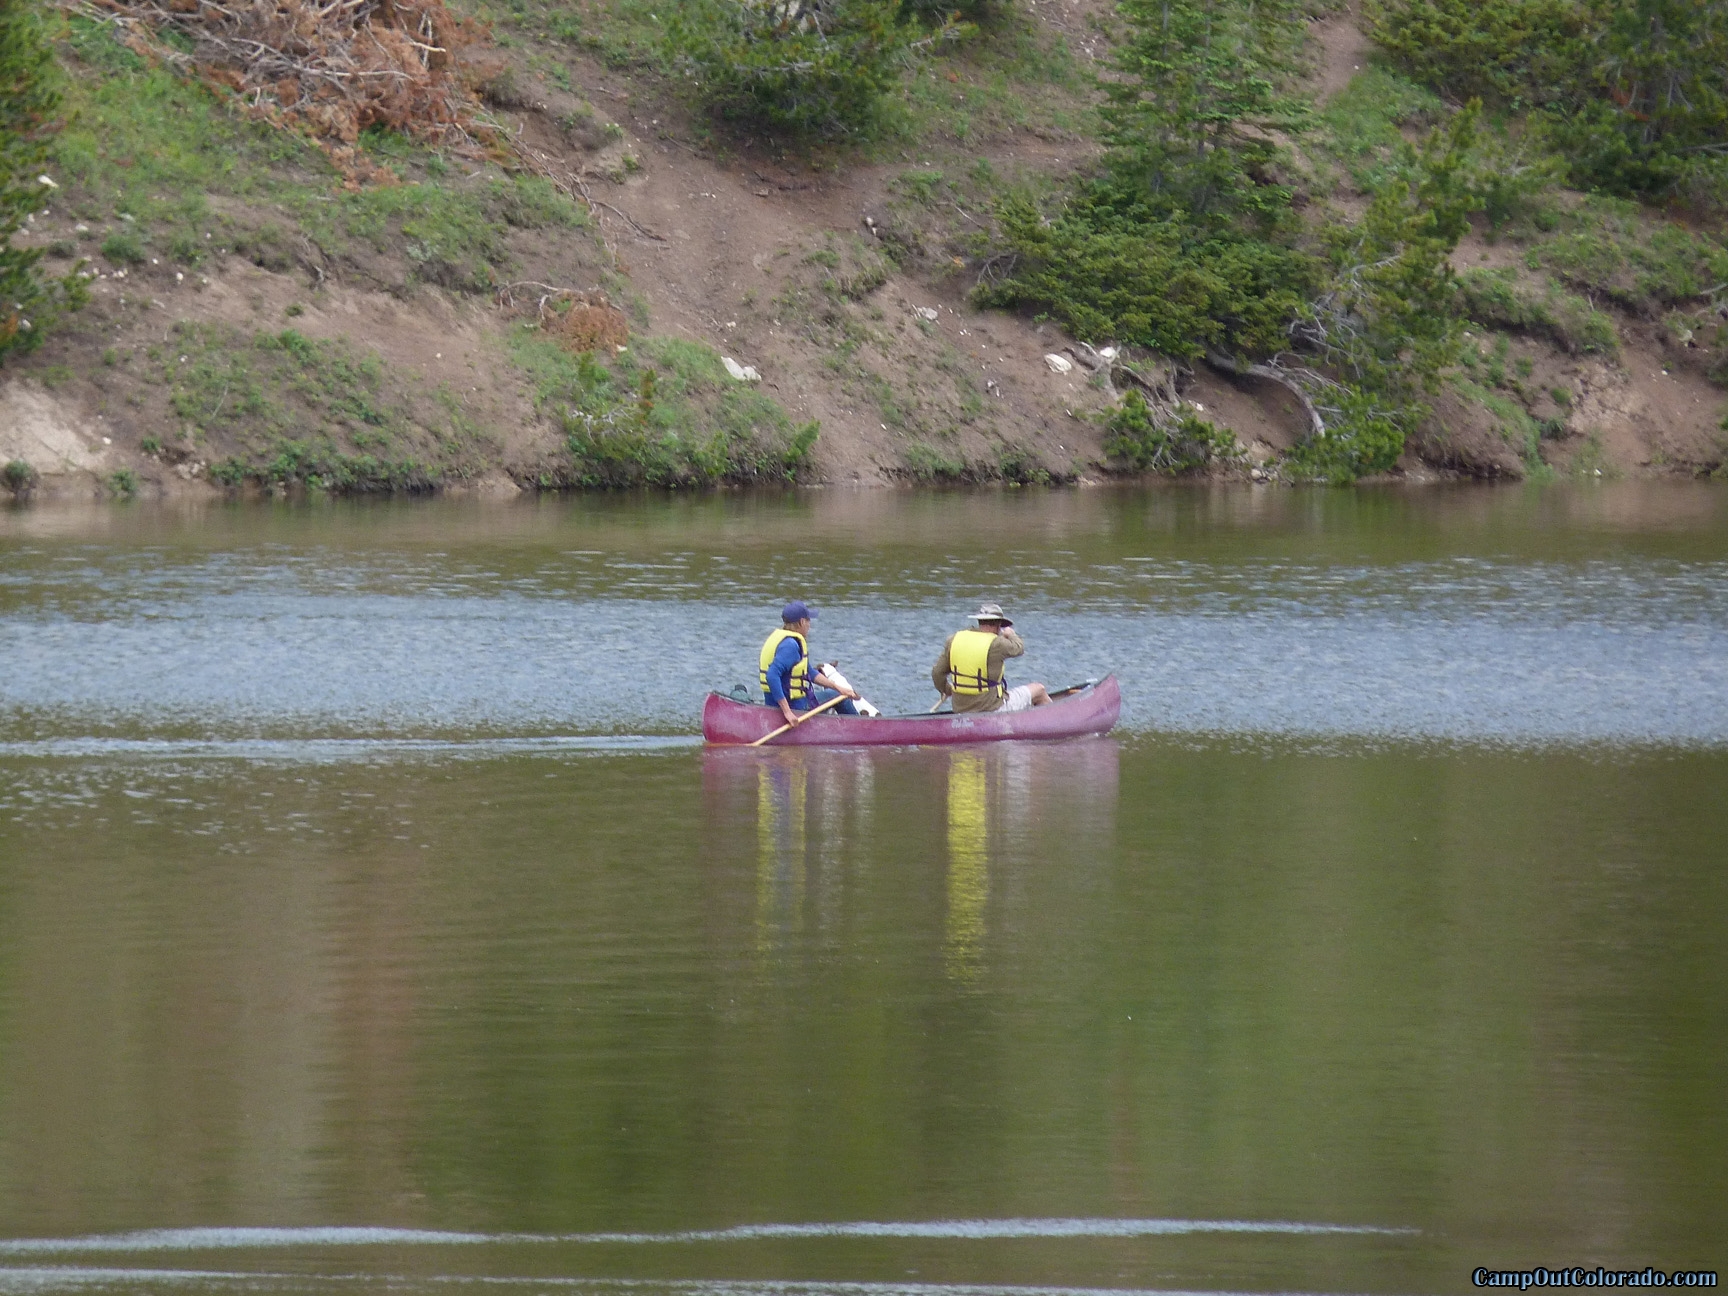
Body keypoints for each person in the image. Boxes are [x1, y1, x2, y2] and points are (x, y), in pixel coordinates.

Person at [931, 602, 1050, 713]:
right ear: (998, 625)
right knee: (1039, 690)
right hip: (991, 708)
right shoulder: (997, 643)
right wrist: (1011, 635)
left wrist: (947, 690)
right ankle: (1055, 722)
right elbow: (1019, 648)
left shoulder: (953, 640)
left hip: (960, 708)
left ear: (979, 622)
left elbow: (937, 673)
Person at [761, 601, 859, 727]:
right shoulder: (790, 645)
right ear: (802, 622)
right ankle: (861, 729)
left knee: (837, 692)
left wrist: (838, 687)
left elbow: (810, 673)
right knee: (837, 697)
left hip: (773, 705)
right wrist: (787, 712)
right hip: (796, 707)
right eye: (808, 621)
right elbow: (772, 675)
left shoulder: (779, 638)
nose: (809, 625)